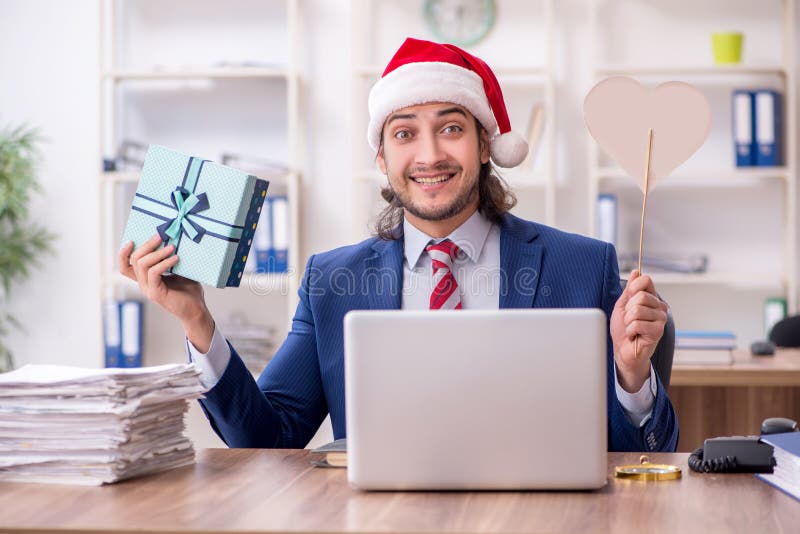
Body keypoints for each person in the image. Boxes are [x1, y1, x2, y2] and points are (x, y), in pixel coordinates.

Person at [120, 37, 678, 452]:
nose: (430, 155)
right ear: (382, 159)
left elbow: (632, 461)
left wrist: (631, 377)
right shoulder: (331, 282)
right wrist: (196, 319)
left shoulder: (581, 265)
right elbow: (268, 440)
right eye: (405, 132)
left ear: (485, 144)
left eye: (451, 128)